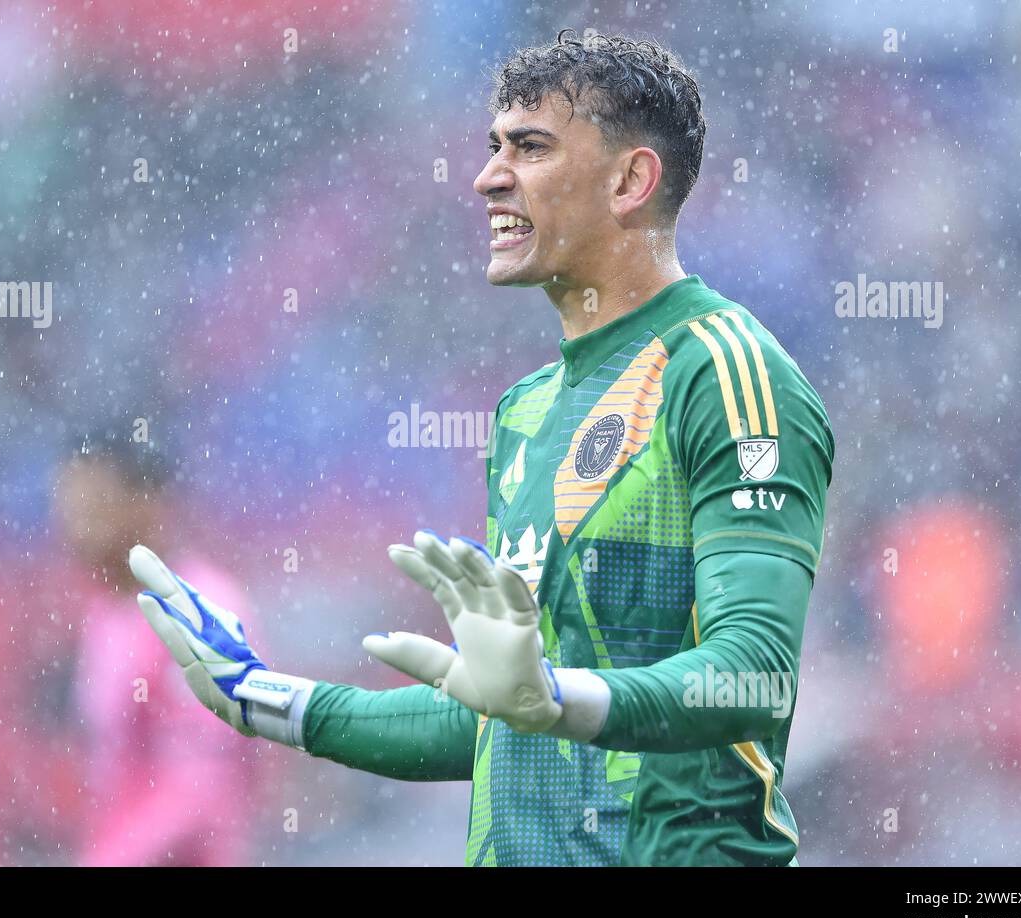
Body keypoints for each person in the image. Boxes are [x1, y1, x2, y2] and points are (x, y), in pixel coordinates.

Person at [133, 31, 834, 866]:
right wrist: (269, 702)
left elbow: (752, 674)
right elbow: (505, 712)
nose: (487, 176)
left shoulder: (722, 371)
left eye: (529, 148)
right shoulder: (526, 413)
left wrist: (551, 697)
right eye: (493, 146)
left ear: (631, 181)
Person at [57, 427, 263, 865]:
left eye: (94, 508)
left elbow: (202, 788)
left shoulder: (203, 612)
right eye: (68, 510)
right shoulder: (103, 614)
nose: (77, 529)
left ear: (148, 504)